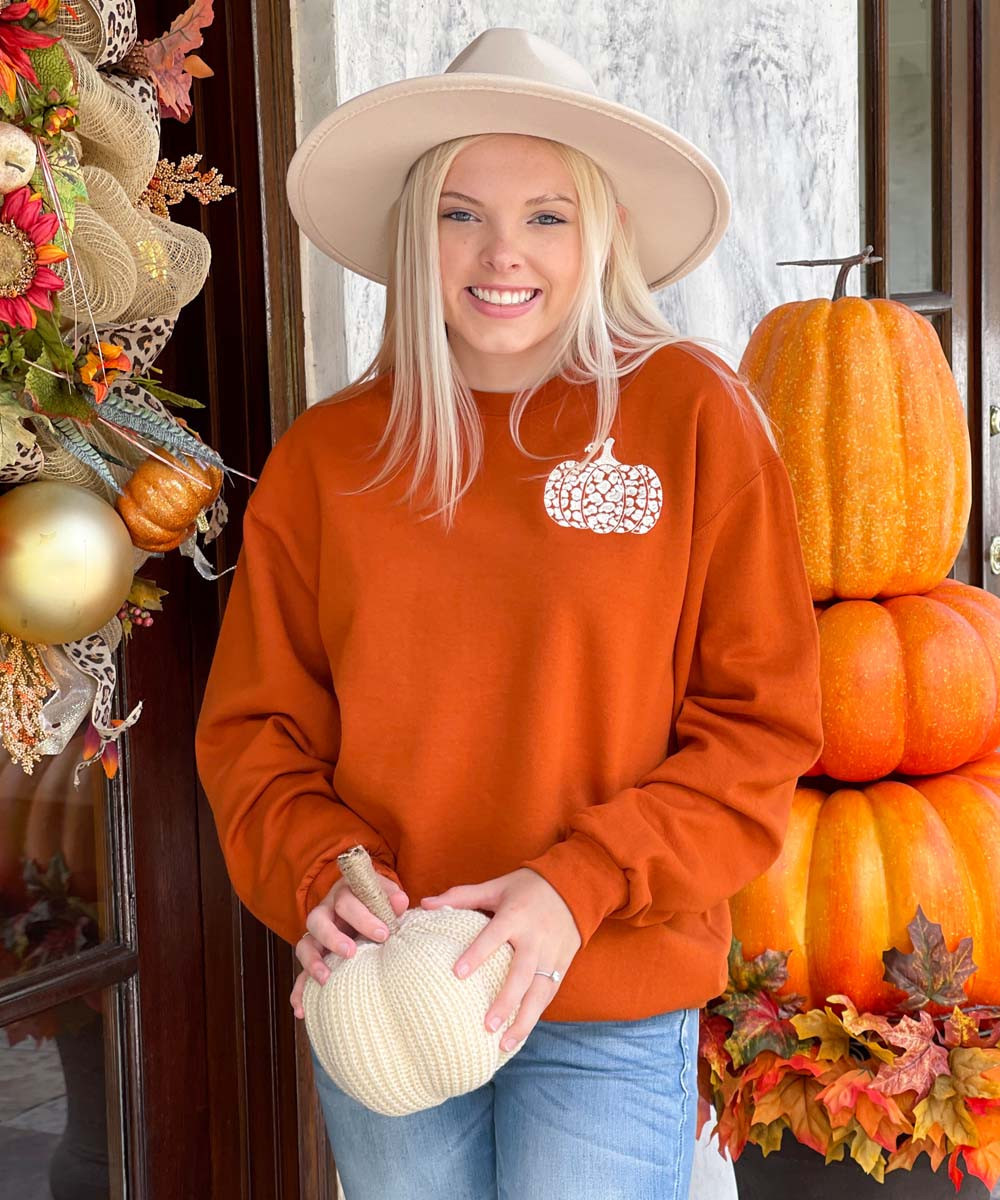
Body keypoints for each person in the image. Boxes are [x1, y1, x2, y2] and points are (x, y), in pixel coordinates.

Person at [194, 26, 824, 1200]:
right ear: (412, 232)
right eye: (459, 213)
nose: (501, 253)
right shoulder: (328, 458)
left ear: (601, 236)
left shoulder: (691, 417)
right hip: (389, 994)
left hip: (607, 985)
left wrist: (573, 882)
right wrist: (321, 874)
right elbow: (255, 733)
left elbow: (760, 727)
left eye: (546, 215)